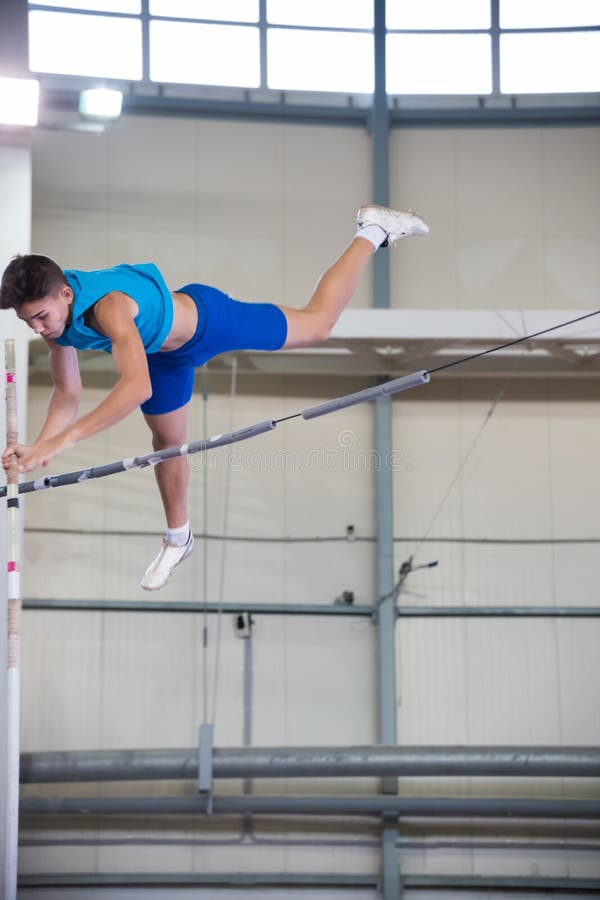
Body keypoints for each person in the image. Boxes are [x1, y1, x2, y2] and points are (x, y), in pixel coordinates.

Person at [0, 204, 429, 589]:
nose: (38, 328)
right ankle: (179, 537)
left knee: (316, 324)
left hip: (207, 322)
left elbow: (136, 386)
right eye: (28, 321)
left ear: (66, 294)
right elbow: (67, 391)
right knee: (167, 446)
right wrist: (39, 447)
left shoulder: (108, 307)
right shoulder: (57, 321)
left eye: (41, 317)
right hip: (163, 356)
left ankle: (372, 231)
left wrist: (62, 442)